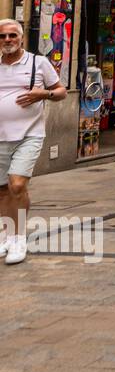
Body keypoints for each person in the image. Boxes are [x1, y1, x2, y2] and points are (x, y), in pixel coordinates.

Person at [0, 19, 67, 265]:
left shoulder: (38, 63)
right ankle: (7, 236)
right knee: (2, 191)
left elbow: (60, 91)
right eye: (2, 36)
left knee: (17, 185)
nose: (7, 40)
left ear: (21, 38)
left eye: (12, 36)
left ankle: (18, 239)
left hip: (29, 134)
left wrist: (44, 94)